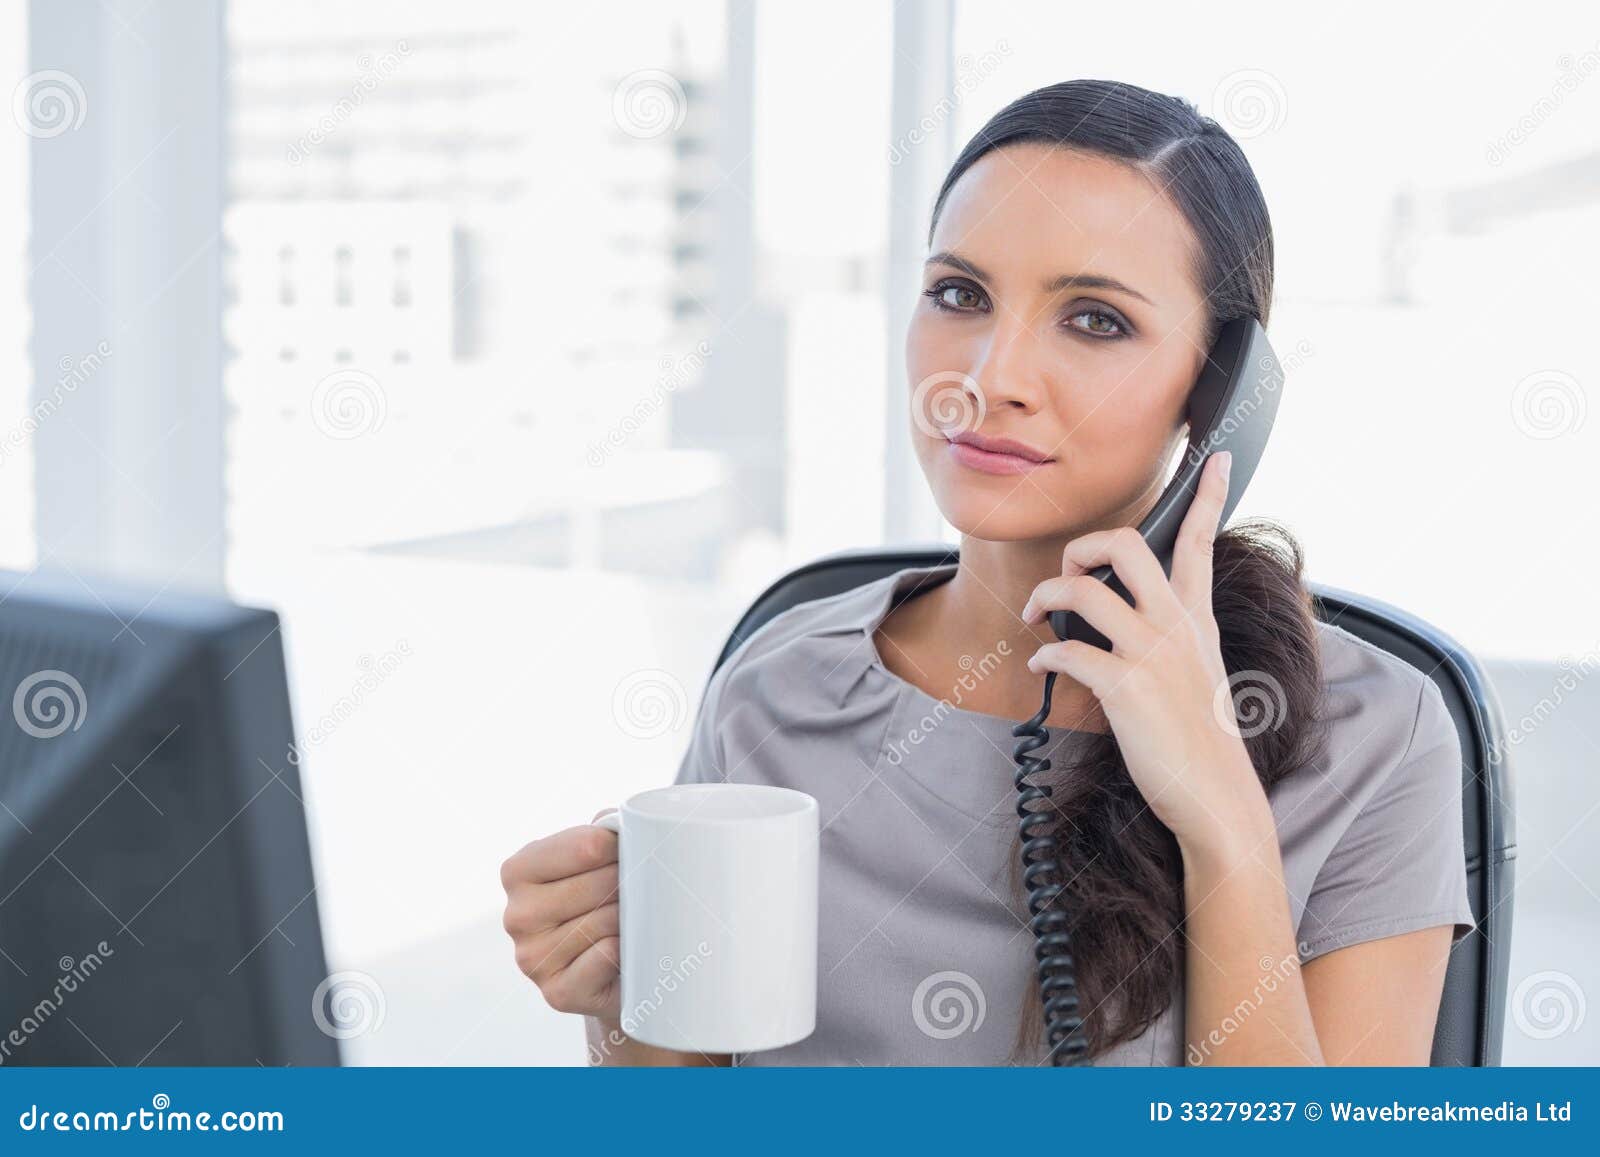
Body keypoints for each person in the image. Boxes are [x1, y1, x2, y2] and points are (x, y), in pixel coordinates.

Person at [500, 78, 1476, 1066]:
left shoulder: (1375, 736)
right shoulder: (776, 693)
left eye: (1094, 319)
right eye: (959, 295)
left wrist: (1221, 815)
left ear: (1219, 391)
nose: (988, 378)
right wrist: (623, 997)